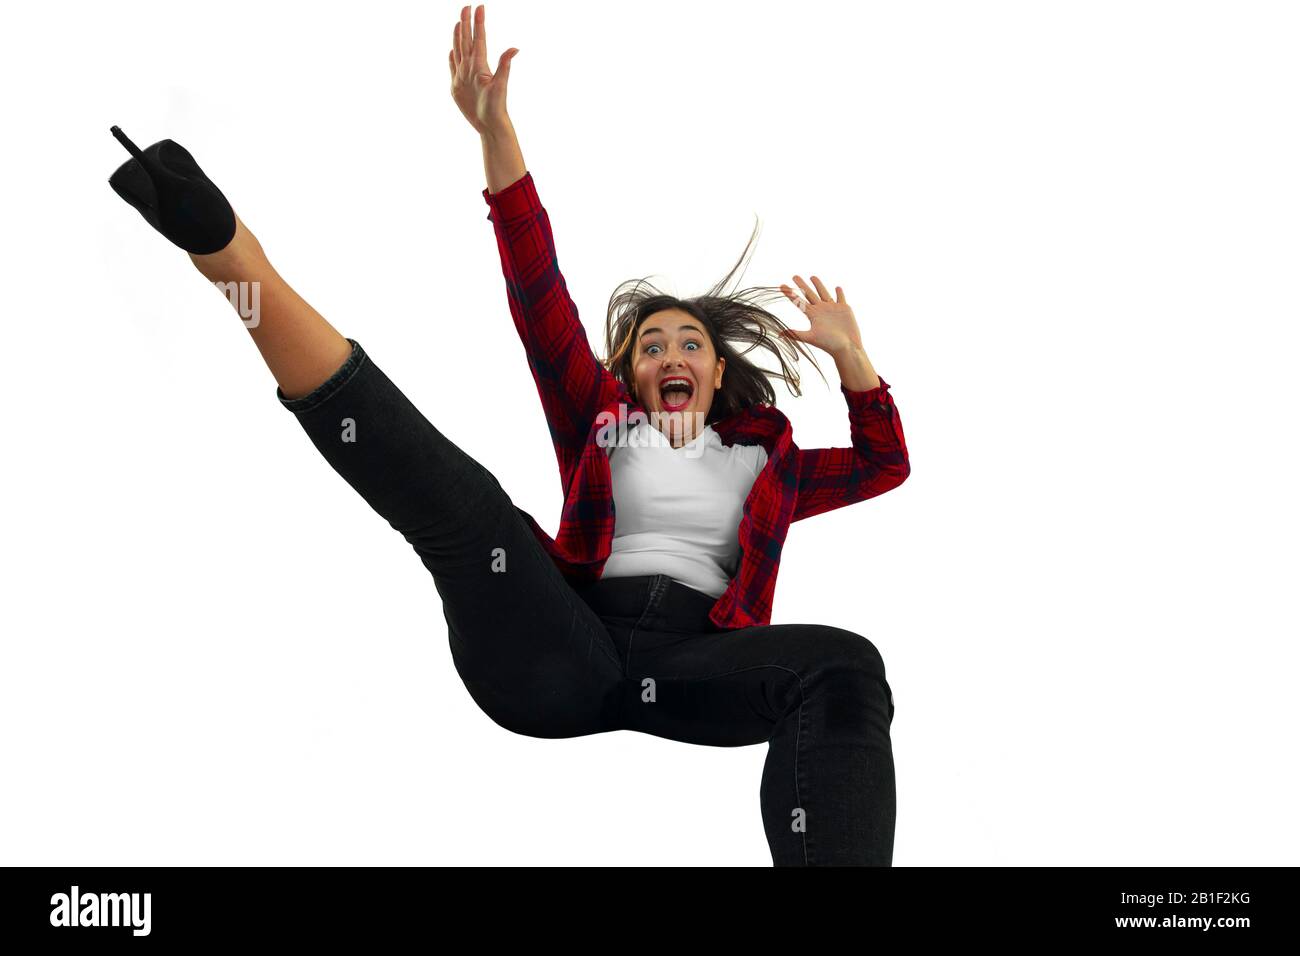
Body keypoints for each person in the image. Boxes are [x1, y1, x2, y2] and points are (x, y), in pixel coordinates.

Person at [106, 2, 910, 867]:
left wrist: (854, 360)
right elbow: (537, 287)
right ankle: (233, 261)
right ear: (630, 373)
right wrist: (496, 133)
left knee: (846, 665)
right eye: (650, 346)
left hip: (694, 672)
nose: (670, 355)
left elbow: (884, 464)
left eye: (690, 345)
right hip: (560, 649)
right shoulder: (601, 420)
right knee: (472, 512)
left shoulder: (770, 462)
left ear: (717, 374)